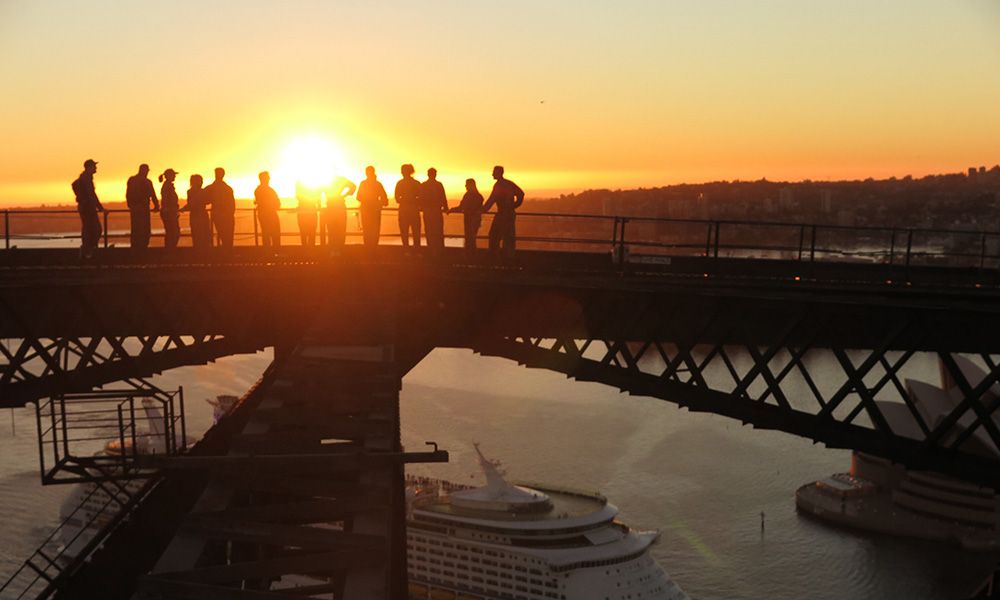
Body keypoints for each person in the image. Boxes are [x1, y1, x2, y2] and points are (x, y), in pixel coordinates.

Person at [482, 165, 524, 257]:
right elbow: (521, 194)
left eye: (494, 172)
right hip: (510, 214)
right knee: (509, 236)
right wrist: (514, 205)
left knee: (494, 235)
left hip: (502, 214)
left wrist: (482, 210)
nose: (492, 174)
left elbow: (491, 199)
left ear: (498, 173)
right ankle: (508, 256)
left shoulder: (498, 185)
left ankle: (494, 256)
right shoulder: (509, 183)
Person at [71, 158, 105, 258]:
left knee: (89, 229)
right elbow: (91, 194)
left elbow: (74, 185)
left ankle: (88, 250)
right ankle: (88, 250)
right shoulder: (86, 179)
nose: (96, 168)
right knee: (95, 229)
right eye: (94, 166)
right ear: (89, 167)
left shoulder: (84, 178)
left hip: (85, 207)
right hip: (88, 208)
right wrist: (100, 207)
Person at [125, 164, 159, 249]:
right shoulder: (147, 182)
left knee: (136, 228)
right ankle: (143, 247)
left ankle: (135, 247)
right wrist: (156, 206)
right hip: (144, 208)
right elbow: (153, 195)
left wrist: (130, 205)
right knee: (145, 229)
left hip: (135, 208)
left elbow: (128, 194)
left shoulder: (132, 180)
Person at [356, 165, 388, 247]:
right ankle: (373, 248)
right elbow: (385, 199)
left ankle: (368, 248)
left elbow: (358, 197)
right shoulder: (377, 184)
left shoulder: (363, 184)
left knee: (367, 231)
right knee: (375, 231)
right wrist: (377, 203)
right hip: (375, 211)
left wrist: (367, 201)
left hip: (366, 211)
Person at [322, 176, 357, 249]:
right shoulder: (341, 180)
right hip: (339, 207)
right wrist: (344, 195)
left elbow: (318, 191)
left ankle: (333, 249)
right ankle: (339, 249)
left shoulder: (326, 180)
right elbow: (353, 186)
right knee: (340, 230)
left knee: (332, 230)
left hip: (331, 207)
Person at [205, 167, 235, 248]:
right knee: (228, 237)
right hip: (227, 216)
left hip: (218, 215)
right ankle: (227, 252)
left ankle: (225, 252)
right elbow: (232, 204)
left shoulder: (211, 188)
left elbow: (205, 200)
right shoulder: (228, 188)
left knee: (224, 236)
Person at [451, 178, 484, 252]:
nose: (465, 186)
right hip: (476, 219)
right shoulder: (479, 196)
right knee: (472, 238)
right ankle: (472, 254)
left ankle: (469, 254)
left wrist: (451, 210)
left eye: (467, 184)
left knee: (469, 238)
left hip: (469, 219)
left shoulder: (468, 195)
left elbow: (461, 207)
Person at [420, 168, 448, 251]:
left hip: (427, 211)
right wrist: (446, 208)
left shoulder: (424, 185)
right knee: (438, 231)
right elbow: (443, 197)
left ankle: (431, 249)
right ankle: (439, 250)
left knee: (429, 231)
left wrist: (421, 207)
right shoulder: (439, 185)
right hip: (436, 210)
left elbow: (421, 198)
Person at [394, 164, 422, 248]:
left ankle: (406, 250)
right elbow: (421, 197)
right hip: (414, 210)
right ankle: (416, 250)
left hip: (404, 210)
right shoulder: (416, 183)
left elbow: (397, 198)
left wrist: (404, 200)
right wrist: (414, 201)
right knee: (416, 232)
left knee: (404, 232)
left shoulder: (400, 183)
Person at [182, 174, 212, 249]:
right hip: (202, 214)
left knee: (196, 235)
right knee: (205, 235)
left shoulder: (190, 192)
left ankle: (198, 251)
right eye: (201, 181)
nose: (202, 182)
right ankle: (204, 251)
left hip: (194, 215)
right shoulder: (202, 191)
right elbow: (207, 201)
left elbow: (190, 204)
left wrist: (184, 208)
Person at [254, 171, 281, 249]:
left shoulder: (258, 190)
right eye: (268, 177)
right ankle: (274, 251)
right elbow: (277, 202)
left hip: (264, 214)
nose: (269, 179)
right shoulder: (269, 190)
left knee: (267, 233)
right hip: (270, 214)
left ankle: (268, 251)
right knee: (273, 233)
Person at [158, 169, 181, 248]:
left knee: (171, 232)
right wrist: (170, 209)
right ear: (169, 176)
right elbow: (167, 199)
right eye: (173, 175)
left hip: (169, 212)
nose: (175, 176)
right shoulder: (167, 186)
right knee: (173, 232)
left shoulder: (167, 185)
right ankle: (170, 248)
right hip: (169, 213)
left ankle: (169, 249)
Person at [295, 181, 321, 246]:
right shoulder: (314, 191)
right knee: (312, 234)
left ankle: (305, 249)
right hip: (312, 213)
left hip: (302, 214)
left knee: (303, 234)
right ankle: (311, 249)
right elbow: (318, 202)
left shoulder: (300, 191)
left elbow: (298, 197)